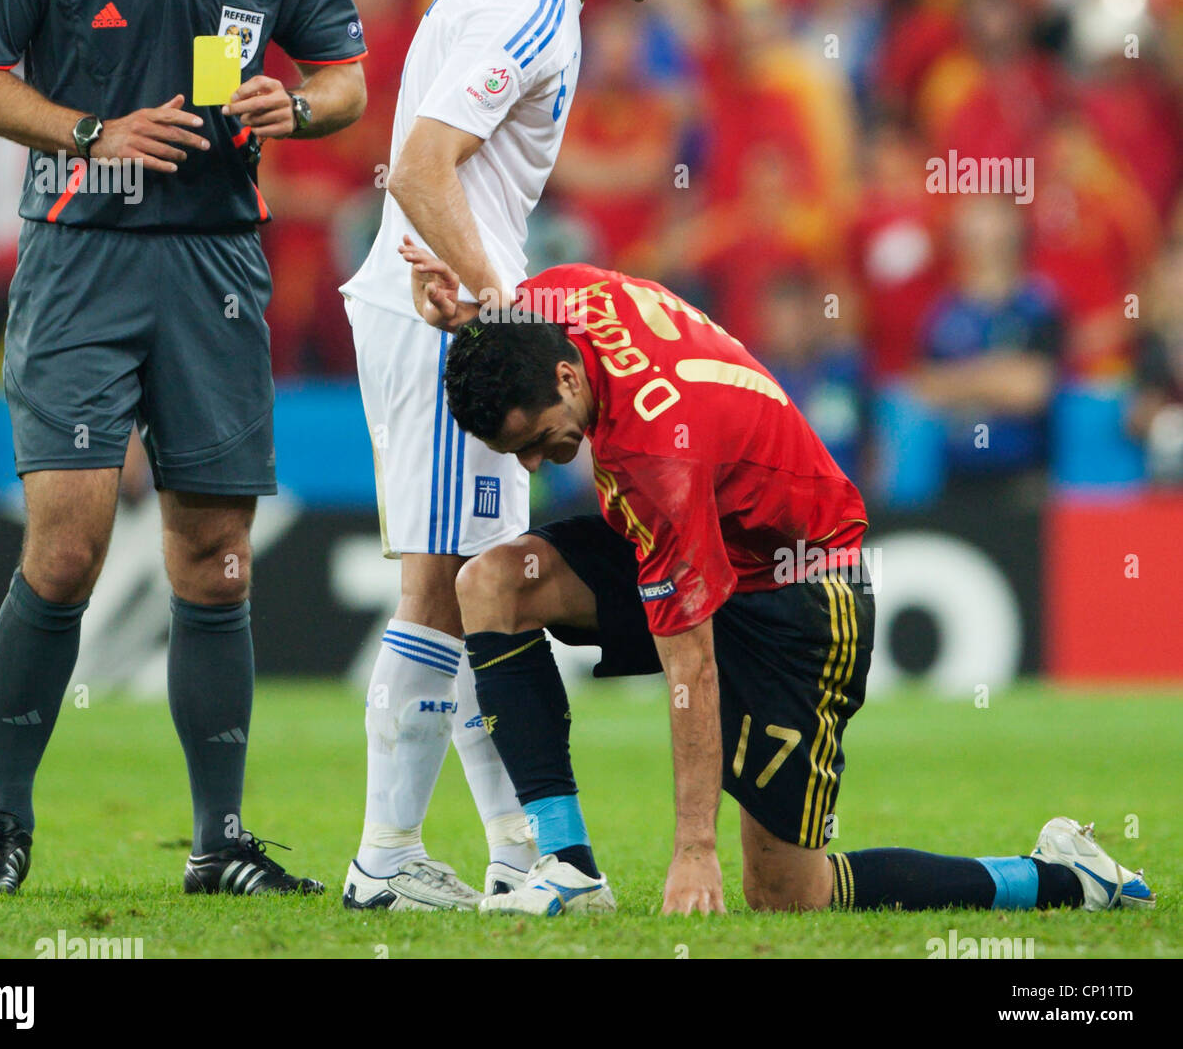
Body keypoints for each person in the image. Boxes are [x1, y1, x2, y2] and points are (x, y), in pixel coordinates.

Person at [403, 240, 1155, 919]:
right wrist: (466, 318)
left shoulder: (656, 455)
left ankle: (1061, 878)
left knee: (786, 893)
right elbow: (509, 321)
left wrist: (694, 850)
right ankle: (566, 866)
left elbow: (690, 666)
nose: (536, 465)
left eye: (536, 441)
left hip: (801, 588)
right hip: (712, 533)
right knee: (493, 583)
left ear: (568, 376)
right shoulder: (552, 304)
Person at [0, 0, 366, 896]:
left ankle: (218, 842)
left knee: (216, 560)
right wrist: (91, 130)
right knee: (68, 543)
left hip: (216, 263)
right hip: (81, 255)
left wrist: (302, 106)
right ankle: (5, 823)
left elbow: (343, 76)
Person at [337, 0, 735, 910]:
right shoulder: (535, 2)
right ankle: (386, 858)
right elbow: (420, 166)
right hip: (446, 319)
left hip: (440, 304)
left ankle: (517, 846)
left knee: (473, 581)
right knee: (437, 586)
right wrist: (508, 324)